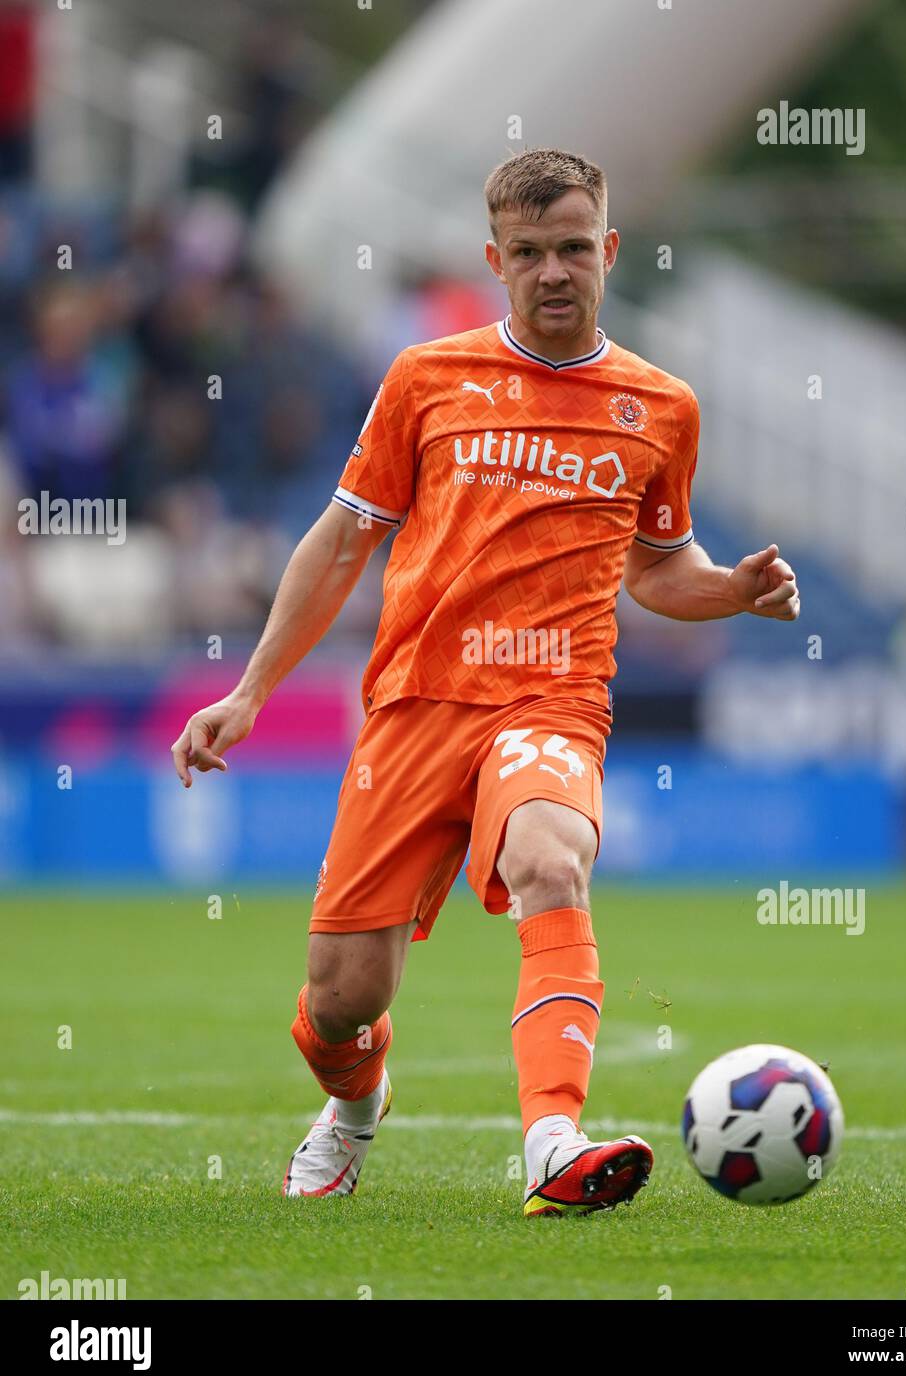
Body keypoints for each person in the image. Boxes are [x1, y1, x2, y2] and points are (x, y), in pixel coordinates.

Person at [170, 148, 800, 1217]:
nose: (553, 271)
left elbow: (657, 567)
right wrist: (251, 690)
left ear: (606, 250)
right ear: (494, 261)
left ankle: (552, 1140)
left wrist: (729, 590)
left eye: (570, 248)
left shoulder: (660, 407)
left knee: (553, 857)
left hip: (551, 701)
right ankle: (354, 1111)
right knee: (339, 999)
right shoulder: (425, 379)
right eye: (527, 253)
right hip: (416, 704)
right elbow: (338, 544)